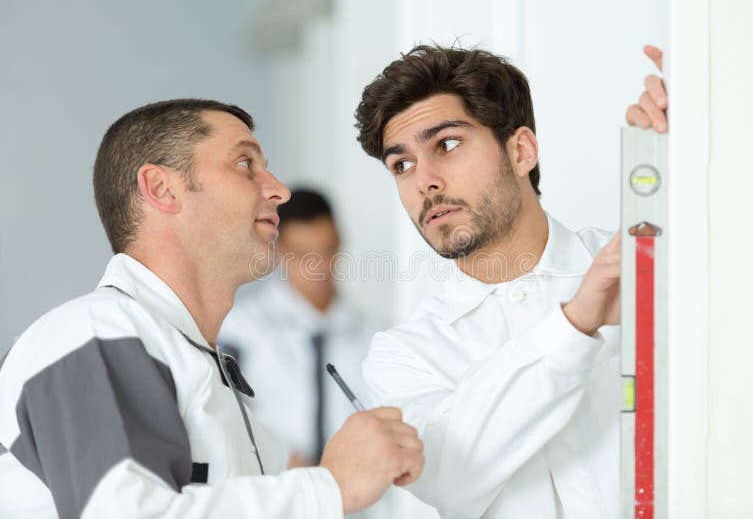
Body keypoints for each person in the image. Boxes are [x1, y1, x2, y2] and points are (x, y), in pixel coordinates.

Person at [0, 99, 425, 519]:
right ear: (162, 189)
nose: (280, 189)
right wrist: (330, 487)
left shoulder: (241, 419)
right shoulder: (89, 335)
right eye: (245, 163)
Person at [354, 45, 668, 519]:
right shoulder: (403, 355)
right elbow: (452, 472)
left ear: (521, 151)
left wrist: (702, 135)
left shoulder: (651, 265)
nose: (425, 181)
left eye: (448, 144)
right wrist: (575, 325)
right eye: (402, 164)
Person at [219, 188, 441, 519]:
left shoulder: (377, 338)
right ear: (279, 251)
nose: (319, 268)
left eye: (327, 252)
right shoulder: (238, 330)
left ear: (340, 242)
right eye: (304, 255)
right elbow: (222, 419)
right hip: (275, 504)